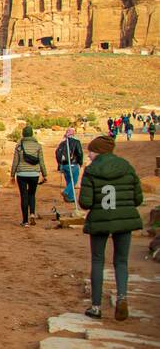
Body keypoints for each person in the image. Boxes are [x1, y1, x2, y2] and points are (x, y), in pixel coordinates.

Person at [78, 136, 143, 320]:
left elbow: (85, 202)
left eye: (90, 151)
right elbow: (138, 199)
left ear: (98, 151)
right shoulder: (127, 167)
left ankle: (96, 307)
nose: (89, 155)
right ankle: (122, 297)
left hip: (100, 219)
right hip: (124, 220)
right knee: (121, 261)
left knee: (98, 260)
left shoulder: (91, 171)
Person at [10, 123, 48, 226]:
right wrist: (44, 175)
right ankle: (32, 214)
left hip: (21, 174)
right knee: (32, 194)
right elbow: (41, 161)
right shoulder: (38, 146)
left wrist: (12, 175)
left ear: (23, 134)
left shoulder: (19, 146)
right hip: (34, 174)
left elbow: (15, 161)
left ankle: (25, 221)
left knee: (24, 196)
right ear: (32, 134)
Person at [55, 128, 85, 204]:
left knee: (69, 181)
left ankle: (70, 197)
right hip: (73, 164)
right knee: (74, 180)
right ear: (73, 134)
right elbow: (80, 153)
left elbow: (57, 154)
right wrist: (80, 163)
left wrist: (60, 165)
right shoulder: (76, 142)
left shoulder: (62, 143)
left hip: (64, 165)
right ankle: (66, 191)